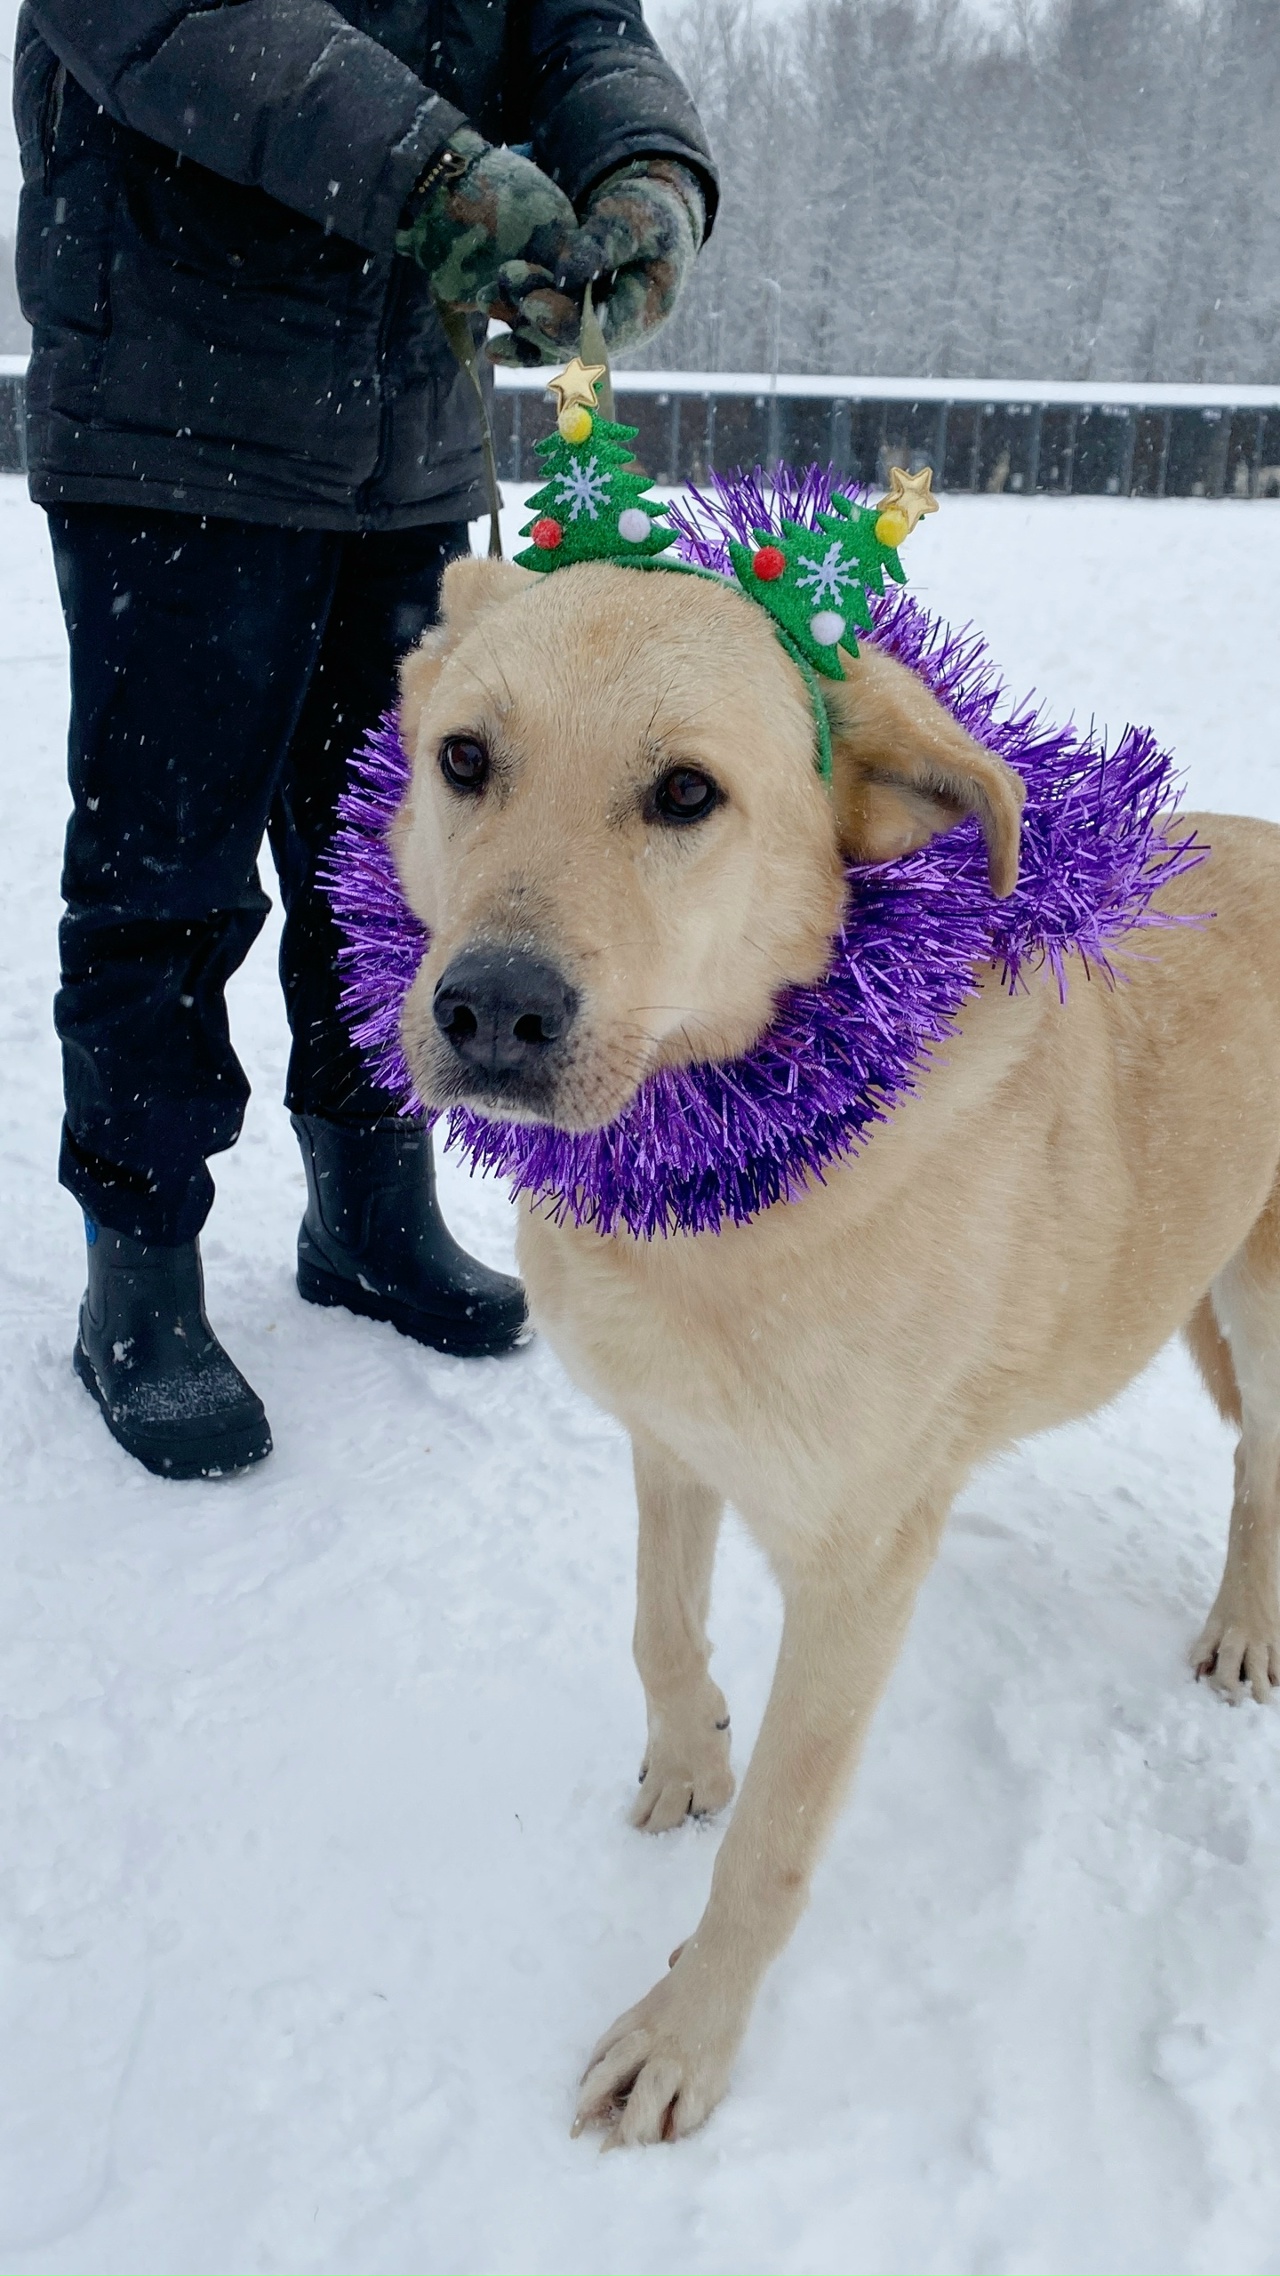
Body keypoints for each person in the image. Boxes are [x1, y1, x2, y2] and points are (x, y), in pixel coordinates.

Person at [12, 1, 716, 1481]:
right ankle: (137, 1261)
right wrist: (433, 174)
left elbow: (576, 22)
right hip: (175, 415)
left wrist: (644, 164)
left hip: (407, 431)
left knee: (402, 868)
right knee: (166, 873)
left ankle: (369, 1210)